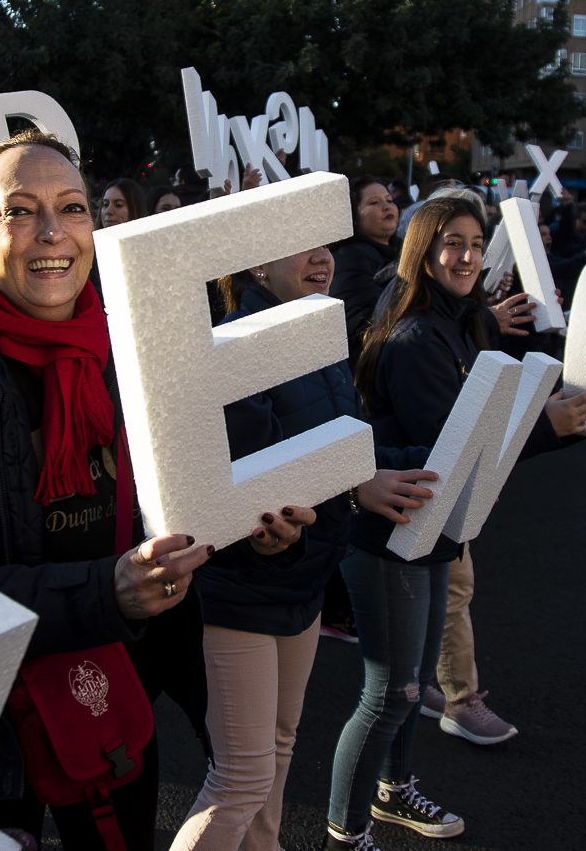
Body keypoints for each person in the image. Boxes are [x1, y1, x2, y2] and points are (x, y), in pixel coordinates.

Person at [0, 129, 212, 850]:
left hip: (111, 685)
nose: (52, 232)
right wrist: (105, 592)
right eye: (18, 211)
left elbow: (184, 506)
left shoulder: (134, 353)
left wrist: (266, 536)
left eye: (72, 207)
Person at [330, 198, 586, 848]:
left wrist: (567, 418)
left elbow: (479, 435)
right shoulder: (417, 338)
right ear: (423, 251)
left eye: (477, 242)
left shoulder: (456, 325)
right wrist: (549, 428)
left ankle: (393, 792)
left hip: (429, 530)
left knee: (411, 686)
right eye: (453, 241)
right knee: (388, 694)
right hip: (390, 537)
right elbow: (449, 452)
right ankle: (344, 833)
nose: (469, 255)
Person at [170, 253, 436, 851]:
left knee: (279, 745)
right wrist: (352, 487)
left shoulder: (318, 337)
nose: (322, 256)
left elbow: (352, 448)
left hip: (304, 581)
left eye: (325, 240)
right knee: (239, 780)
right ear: (256, 265)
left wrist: (450, 462)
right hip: (237, 592)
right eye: (300, 241)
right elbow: (248, 480)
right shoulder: (232, 344)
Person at [329, 177, 399, 367]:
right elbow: (361, 328)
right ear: (353, 217)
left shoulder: (404, 251)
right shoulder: (350, 257)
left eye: (389, 200)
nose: (386, 206)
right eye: (374, 202)